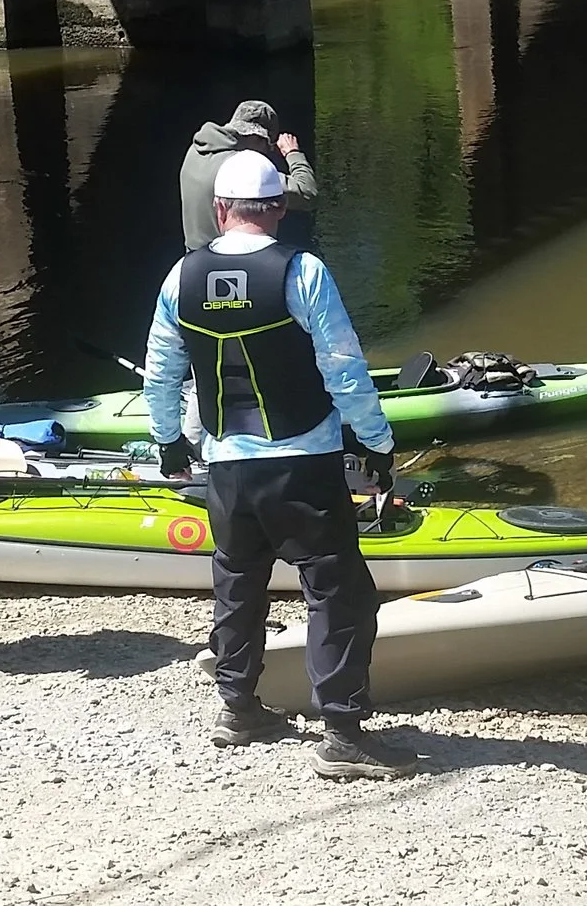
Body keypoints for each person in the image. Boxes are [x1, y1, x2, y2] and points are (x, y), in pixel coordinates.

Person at [143, 151, 411, 780]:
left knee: (238, 584)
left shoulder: (181, 275)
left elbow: (162, 372)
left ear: (218, 210)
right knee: (338, 592)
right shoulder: (303, 270)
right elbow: (342, 367)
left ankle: (239, 708)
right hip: (304, 461)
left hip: (225, 467)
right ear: (281, 208)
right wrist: (375, 440)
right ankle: (342, 731)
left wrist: (169, 442)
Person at [178, 100, 318, 251]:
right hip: (225, 263)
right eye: (269, 146)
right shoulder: (242, 168)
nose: (267, 153)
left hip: (193, 263)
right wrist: (292, 153)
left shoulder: (195, 150)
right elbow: (307, 193)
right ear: (257, 138)